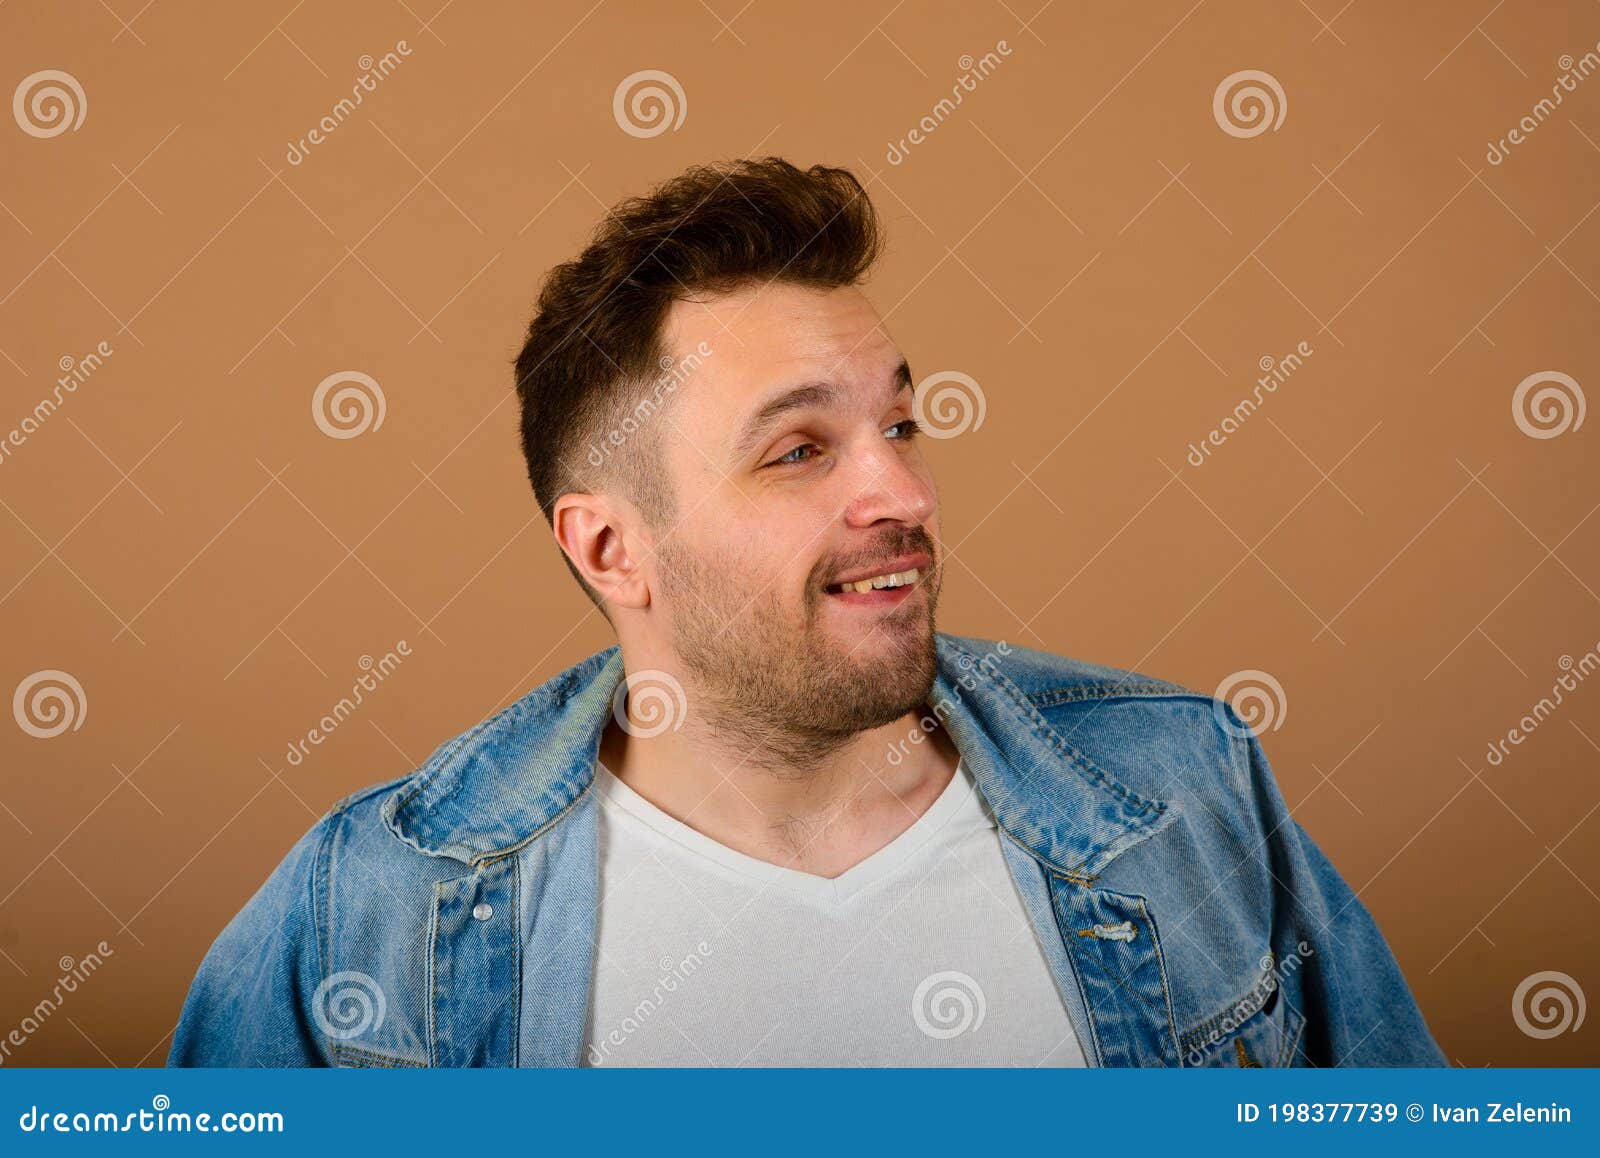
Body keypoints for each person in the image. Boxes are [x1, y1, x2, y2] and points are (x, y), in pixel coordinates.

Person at [169, 158, 1443, 1067]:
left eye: (898, 423)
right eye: (798, 451)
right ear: (614, 548)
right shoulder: (373, 909)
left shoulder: (1182, 793)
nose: (904, 488)